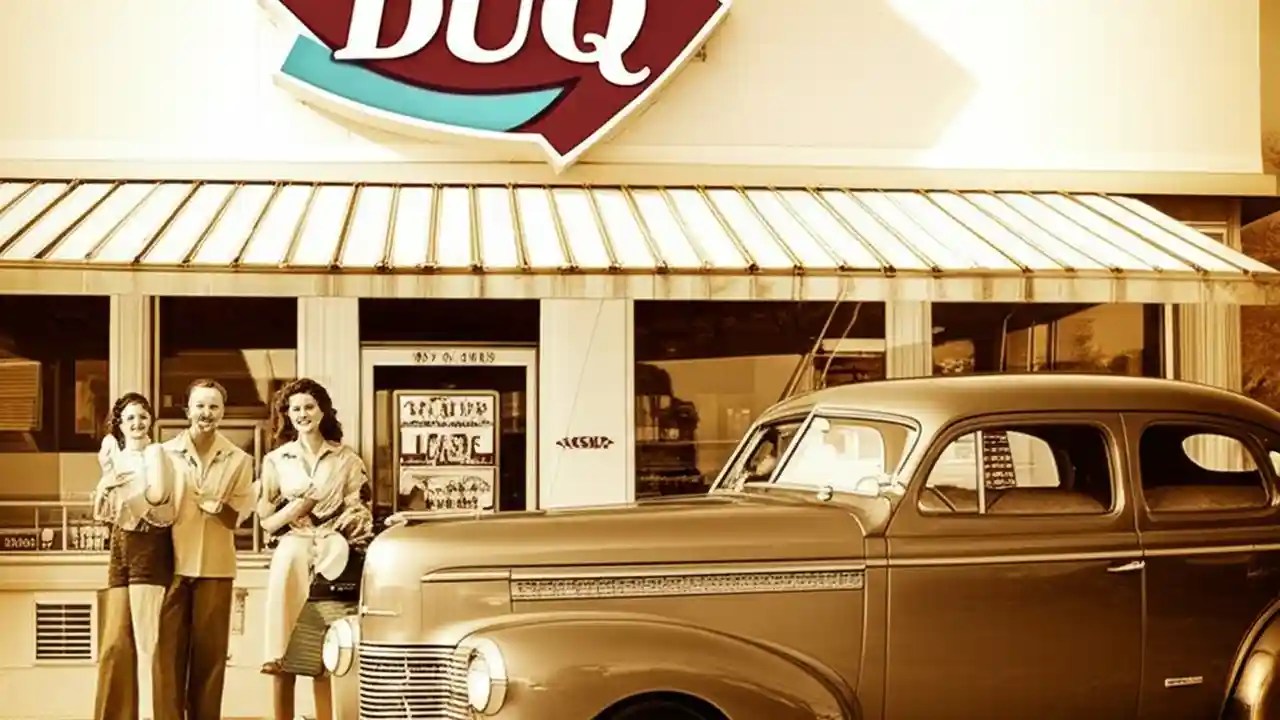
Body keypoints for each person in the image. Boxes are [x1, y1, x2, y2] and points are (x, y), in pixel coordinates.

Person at [257, 378, 373, 720]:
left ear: (323, 411)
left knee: (328, 642)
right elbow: (265, 518)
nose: (303, 414)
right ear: (287, 415)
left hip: (334, 555)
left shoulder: (347, 459)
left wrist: (339, 525)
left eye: (309, 406)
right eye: (296, 409)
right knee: (283, 641)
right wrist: (294, 510)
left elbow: (362, 511)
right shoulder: (277, 459)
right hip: (291, 555)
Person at [153, 379, 255, 720]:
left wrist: (219, 508)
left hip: (216, 567)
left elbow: (236, 517)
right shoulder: (164, 453)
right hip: (171, 567)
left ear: (223, 412)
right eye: (200, 406)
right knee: (167, 656)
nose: (206, 413)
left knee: (211, 658)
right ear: (187, 410)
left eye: (213, 406)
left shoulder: (239, 460)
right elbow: (153, 507)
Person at [92, 392, 173, 720]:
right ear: (120, 424)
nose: (137, 423)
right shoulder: (115, 458)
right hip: (120, 544)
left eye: (142, 416)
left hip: (149, 544)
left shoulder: (156, 452)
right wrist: (107, 478)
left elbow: (158, 497)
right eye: (130, 418)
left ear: (151, 420)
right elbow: (101, 513)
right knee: (115, 641)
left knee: (147, 642)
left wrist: (120, 489)